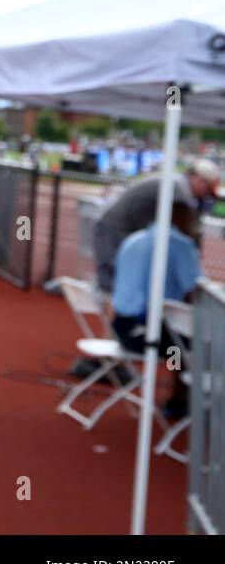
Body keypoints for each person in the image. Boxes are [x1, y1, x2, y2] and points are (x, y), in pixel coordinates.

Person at [110, 200, 202, 419]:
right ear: (182, 219)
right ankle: (179, 399)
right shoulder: (180, 245)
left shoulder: (133, 240)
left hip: (121, 328)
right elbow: (195, 288)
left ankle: (179, 390)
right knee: (189, 344)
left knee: (179, 341)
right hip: (149, 332)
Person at [92, 159, 219, 292]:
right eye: (206, 189)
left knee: (122, 280)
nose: (205, 195)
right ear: (199, 179)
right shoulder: (178, 190)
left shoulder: (176, 183)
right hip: (114, 232)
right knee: (114, 281)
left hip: (120, 232)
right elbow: (186, 230)